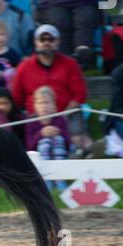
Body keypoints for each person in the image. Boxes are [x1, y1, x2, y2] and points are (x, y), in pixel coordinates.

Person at [10, 24, 93, 155]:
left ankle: (85, 151)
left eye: (51, 39)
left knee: (79, 138)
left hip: (67, 112)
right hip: (36, 115)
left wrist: (64, 114)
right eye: (42, 40)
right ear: (36, 42)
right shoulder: (24, 66)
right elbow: (16, 97)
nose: (46, 43)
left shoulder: (70, 64)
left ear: (58, 42)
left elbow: (79, 95)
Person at [24, 86, 72, 161]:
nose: (44, 106)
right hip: (39, 160)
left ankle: (59, 165)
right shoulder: (31, 121)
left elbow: (68, 144)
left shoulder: (60, 119)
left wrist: (59, 133)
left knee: (58, 139)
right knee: (45, 142)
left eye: (47, 102)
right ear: (35, 105)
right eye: (40, 103)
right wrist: (41, 134)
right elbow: (29, 147)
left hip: (60, 154)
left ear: (54, 105)